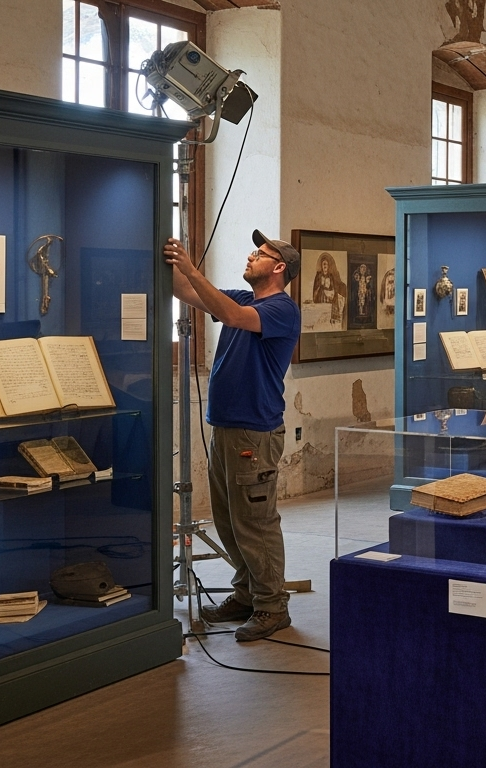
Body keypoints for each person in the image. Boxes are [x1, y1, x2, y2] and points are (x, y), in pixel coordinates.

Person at [164, 230, 301, 642]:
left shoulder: (281, 309)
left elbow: (231, 317)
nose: (250, 256)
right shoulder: (243, 298)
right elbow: (187, 290)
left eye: (259, 254)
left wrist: (190, 266)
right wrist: (165, 252)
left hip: (253, 433)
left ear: (278, 268)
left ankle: (272, 605)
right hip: (226, 428)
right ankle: (246, 594)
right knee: (229, 521)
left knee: (255, 523)